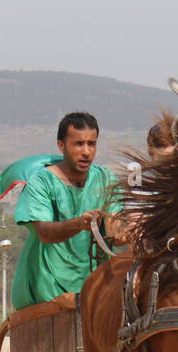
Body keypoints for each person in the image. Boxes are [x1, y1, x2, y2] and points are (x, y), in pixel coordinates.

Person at [9, 112, 125, 309]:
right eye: (78, 144)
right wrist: (78, 224)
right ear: (61, 146)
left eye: (92, 144)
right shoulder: (42, 182)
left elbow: (117, 233)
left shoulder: (106, 179)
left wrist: (133, 232)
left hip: (96, 284)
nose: (86, 152)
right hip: (49, 285)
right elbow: (44, 233)